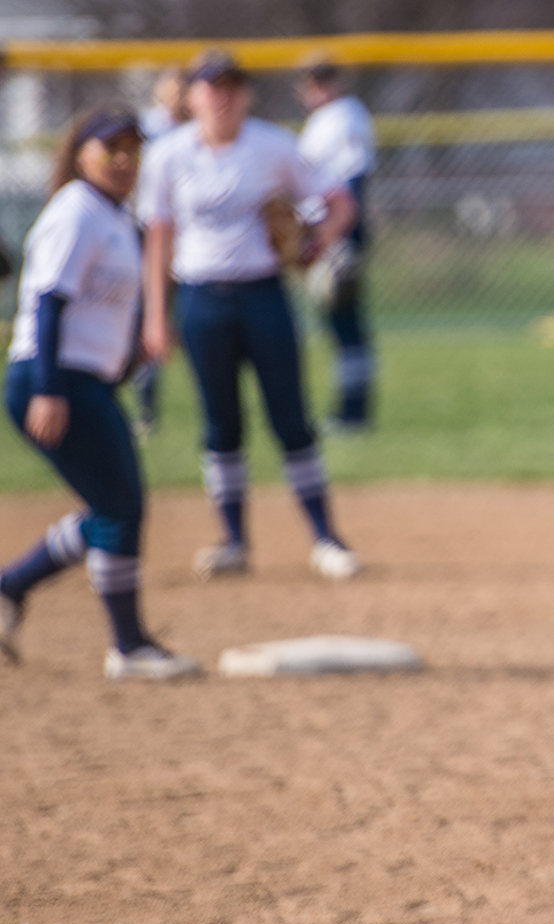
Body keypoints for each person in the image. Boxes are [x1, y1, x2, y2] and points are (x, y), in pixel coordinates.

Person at [138, 50, 363, 581]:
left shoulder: (274, 146)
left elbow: (341, 203)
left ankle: (326, 538)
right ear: (189, 95)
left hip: (264, 294)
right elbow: (159, 240)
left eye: (233, 87)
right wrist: (155, 316)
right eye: (211, 87)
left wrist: (316, 244)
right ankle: (234, 541)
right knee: (221, 424)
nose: (222, 97)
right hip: (200, 299)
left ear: (247, 95)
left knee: (290, 417)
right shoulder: (168, 156)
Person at [1, 106, 201, 679]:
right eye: (109, 147)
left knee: (112, 507)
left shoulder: (113, 217)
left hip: (83, 381)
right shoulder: (77, 211)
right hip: (56, 378)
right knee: (119, 506)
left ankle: (11, 587)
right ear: (80, 153)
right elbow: (49, 301)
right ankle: (129, 647)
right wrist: (49, 389)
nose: (123, 159)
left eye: (133, 149)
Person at [295, 55, 379, 433]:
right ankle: (351, 411)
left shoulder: (343, 115)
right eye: (313, 81)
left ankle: (353, 412)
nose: (318, 88)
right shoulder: (333, 118)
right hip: (331, 227)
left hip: (340, 228)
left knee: (345, 324)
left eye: (322, 80)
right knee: (340, 324)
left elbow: (350, 183)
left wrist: (334, 236)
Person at [126, 66, 190, 440]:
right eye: (173, 88)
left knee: (177, 316)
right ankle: (145, 406)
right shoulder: (148, 128)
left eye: (184, 88)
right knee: (143, 315)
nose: (179, 95)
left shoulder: (197, 129)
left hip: (190, 238)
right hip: (148, 232)